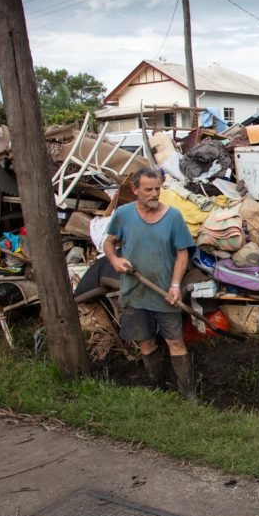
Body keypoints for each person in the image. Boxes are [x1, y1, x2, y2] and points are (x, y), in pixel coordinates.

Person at [104, 168, 196, 398]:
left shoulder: (173, 217)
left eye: (158, 189)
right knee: (146, 342)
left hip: (165, 292)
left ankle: (188, 395)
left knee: (175, 341)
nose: (155, 194)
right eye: (149, 189)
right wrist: (114, 259)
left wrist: (175, 285)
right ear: (135, 190)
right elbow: (109, 242)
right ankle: (158, 389)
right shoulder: (124, 214)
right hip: (135, 292)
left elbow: (182, 254)